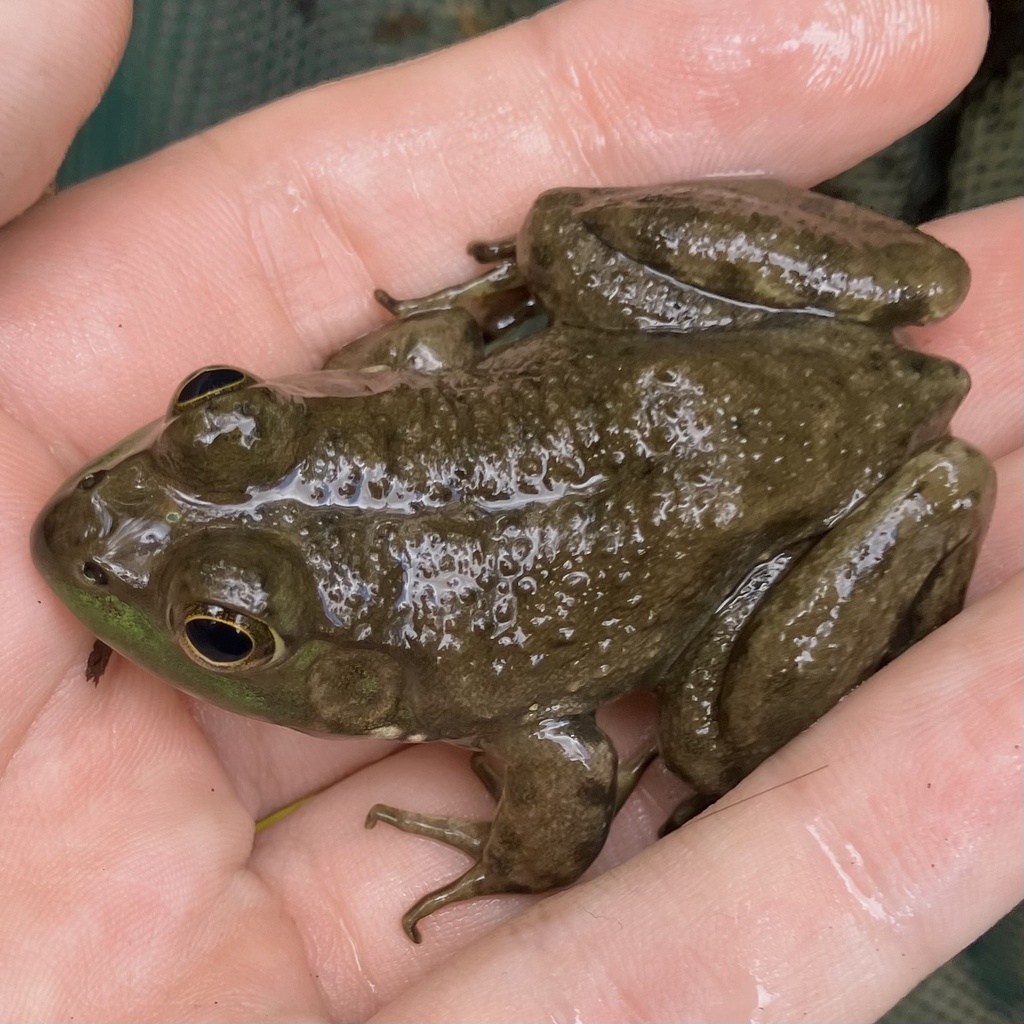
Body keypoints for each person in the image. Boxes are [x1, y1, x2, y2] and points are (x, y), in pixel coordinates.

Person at [0, 0, 1019, 1019]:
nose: (109, 508)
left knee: (716, 739)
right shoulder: (394, 377)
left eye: (214, 413)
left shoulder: (464, 651)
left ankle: (931, 491)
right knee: (566, 241)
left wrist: (515, 856)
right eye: (222, 624)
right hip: (699, 358)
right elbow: (423, 355)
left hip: (783, 494)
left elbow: (569, 779)